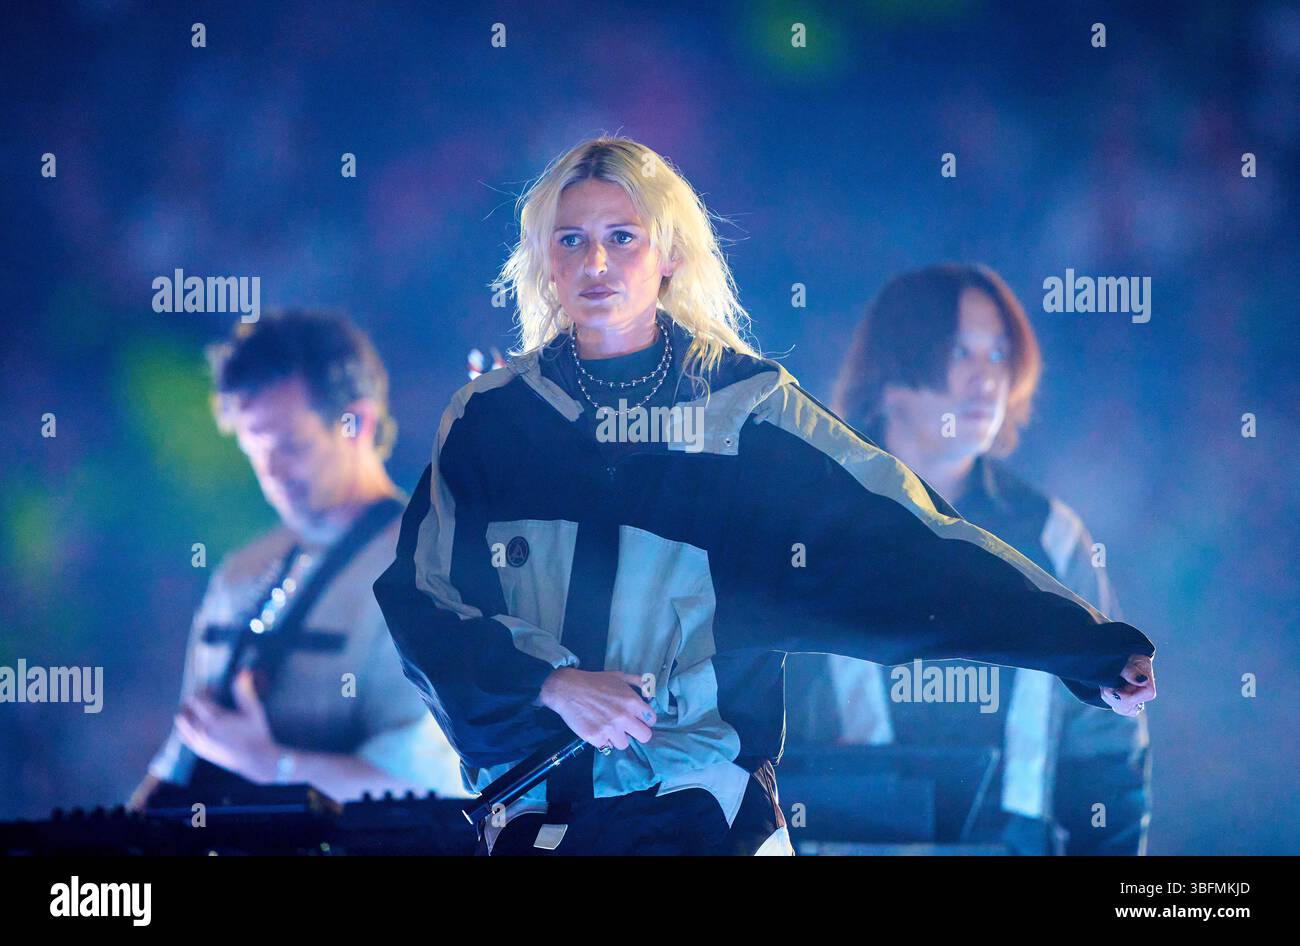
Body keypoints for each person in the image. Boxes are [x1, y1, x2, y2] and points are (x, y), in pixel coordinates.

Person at [374, 137, 1156, 856]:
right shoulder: (487, 419)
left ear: (669, 254)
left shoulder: (748, 409)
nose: (596, 262)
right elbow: (421, 602)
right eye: (570, 239)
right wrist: (550, 683)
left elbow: (913, 541)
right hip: (537, 818)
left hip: (709, 817)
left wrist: (1085, 648)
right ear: (545, 262)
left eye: (623, 237)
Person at [785, 264, 1151, 855]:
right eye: (961, 351)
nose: (988, 379)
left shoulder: (1053, 537)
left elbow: (1107, 747)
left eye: (1000, 354)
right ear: (890, 374)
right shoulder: (808, 529)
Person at [129, 311, 465, 811]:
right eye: (256, 450)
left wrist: (271, 766)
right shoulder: (239, 571)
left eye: (291, 445)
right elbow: (181, 760)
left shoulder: (429, 566)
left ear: (359, 421)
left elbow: (430, 791)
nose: (273, 471)